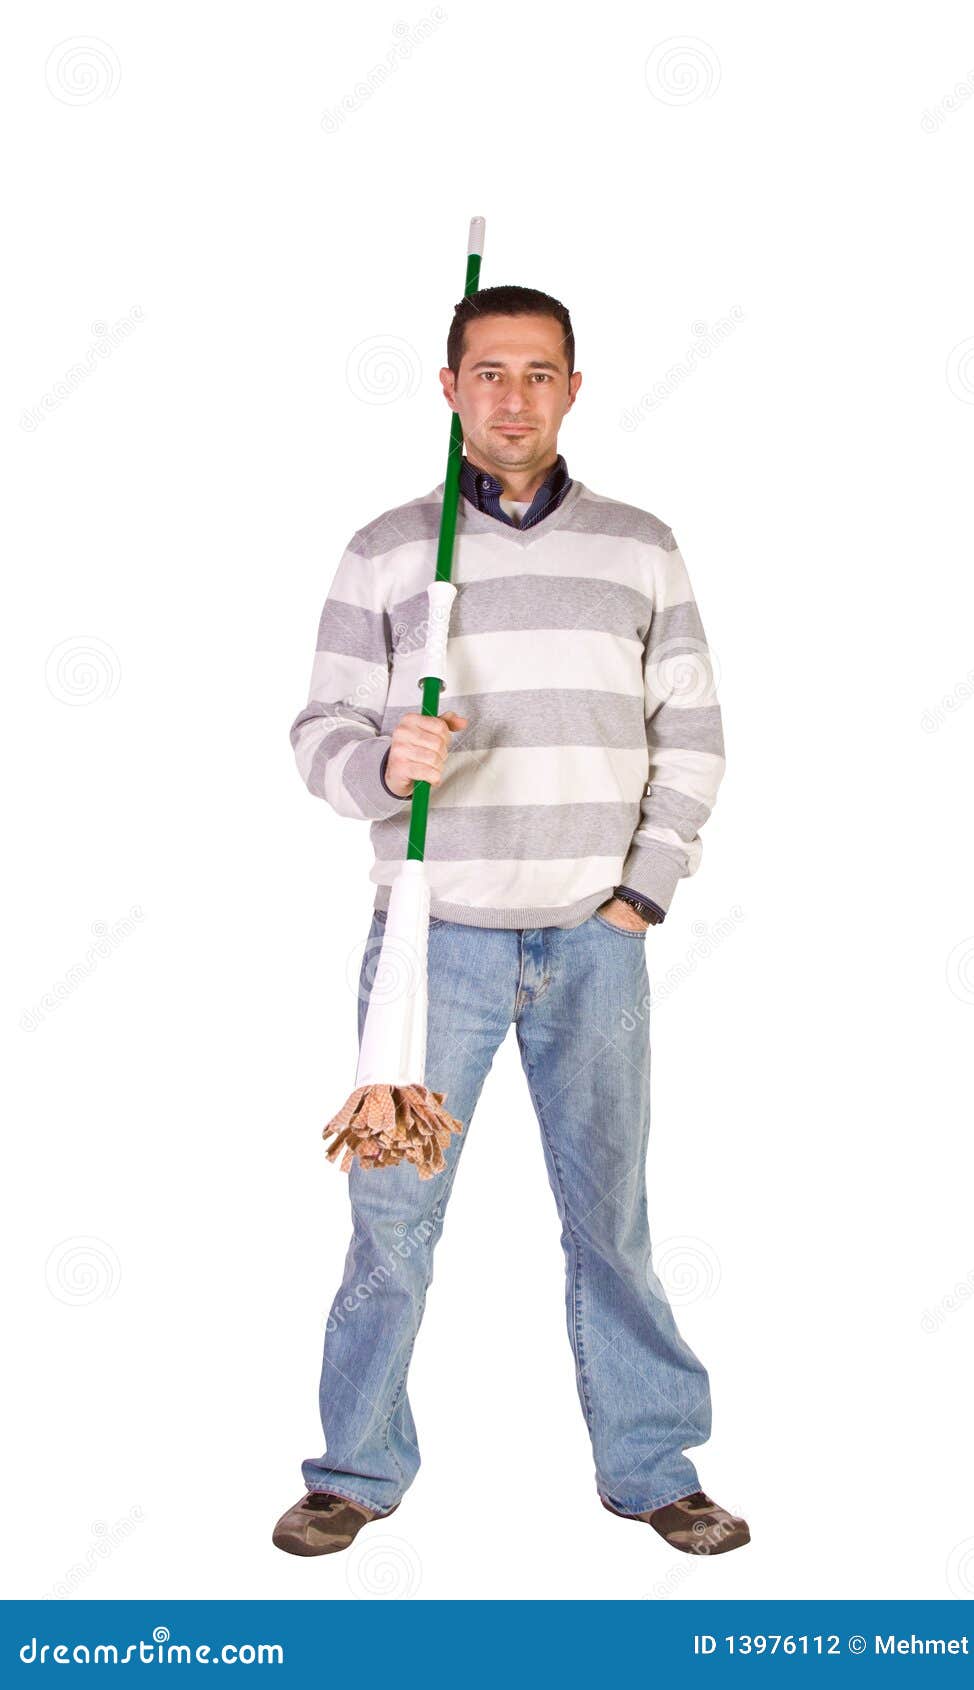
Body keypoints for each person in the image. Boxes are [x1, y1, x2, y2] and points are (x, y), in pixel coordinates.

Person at [273, 285, 749, 1560]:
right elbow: (318, 732)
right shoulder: (389, 549)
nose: (512, 396)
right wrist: (387, 761)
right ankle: (353, 1470)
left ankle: (653, 1466)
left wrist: (642, 888)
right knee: (391, 1220)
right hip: (432, 944)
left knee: (611, 1220)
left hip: (595, 939)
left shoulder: (640, 546)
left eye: (539, 373)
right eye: (488, 371)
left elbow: (690, 731)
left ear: (572, 390)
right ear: (448, 388)